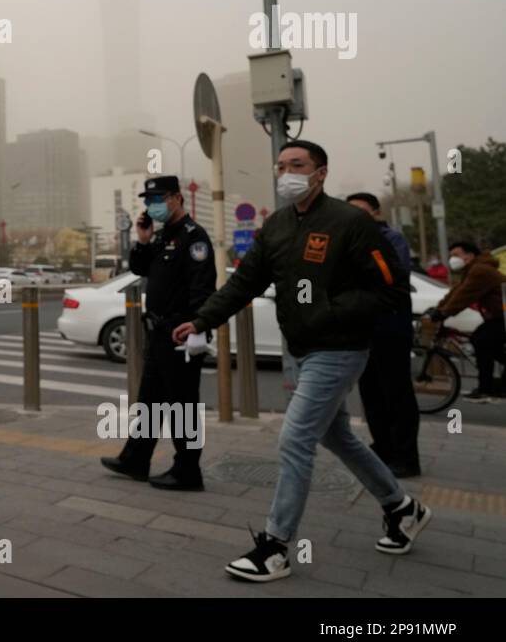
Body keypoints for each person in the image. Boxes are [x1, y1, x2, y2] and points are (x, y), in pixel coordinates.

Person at [172, 142, 430, 582]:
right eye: (281, 165)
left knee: (294, 439)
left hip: (340, 349)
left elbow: (391, 289)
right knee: (337, 438)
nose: (286, 172)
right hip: (300, 350)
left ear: (320, 173)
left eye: (297, 165)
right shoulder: (276, 226)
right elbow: (244, 283)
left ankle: (275, 547)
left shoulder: (350, 223)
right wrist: (201, 321)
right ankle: (402, 508)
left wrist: (329, 310)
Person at [101, 175, 216, 490]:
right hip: (158, 330)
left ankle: (188, 470)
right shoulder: (164, 236)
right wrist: (142, 239)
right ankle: (136, 459)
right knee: (150, 400)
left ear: (177, 198)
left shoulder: (195, 238)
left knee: (182, 405)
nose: (153, 205)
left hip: (180, 332)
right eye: (149, 200)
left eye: (159, 198)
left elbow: (202, 288)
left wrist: (197, 328)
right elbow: (139, 268)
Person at [346, 192, 421, 477]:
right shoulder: (348, 239)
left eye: (361, 210)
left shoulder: (391, 239)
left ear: (376, 212)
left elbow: (390, 277)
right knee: (371, 392)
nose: (355, 216)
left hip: (390, 327)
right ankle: (383, 447)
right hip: (363, 329)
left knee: (397, 392)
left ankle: (406, 456)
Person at [426, 241, 505, 402]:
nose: (452, 259)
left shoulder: (480, 270)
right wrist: (439, 308)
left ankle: (486, 389)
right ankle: (492, 387)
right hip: (500, 316)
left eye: (456, 255)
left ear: (469, 255)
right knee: (485, 341)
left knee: (481, 340)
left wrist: (443, 313)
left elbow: (463, 297)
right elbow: (456, 292)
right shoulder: (473, 269)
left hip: (501, 316)